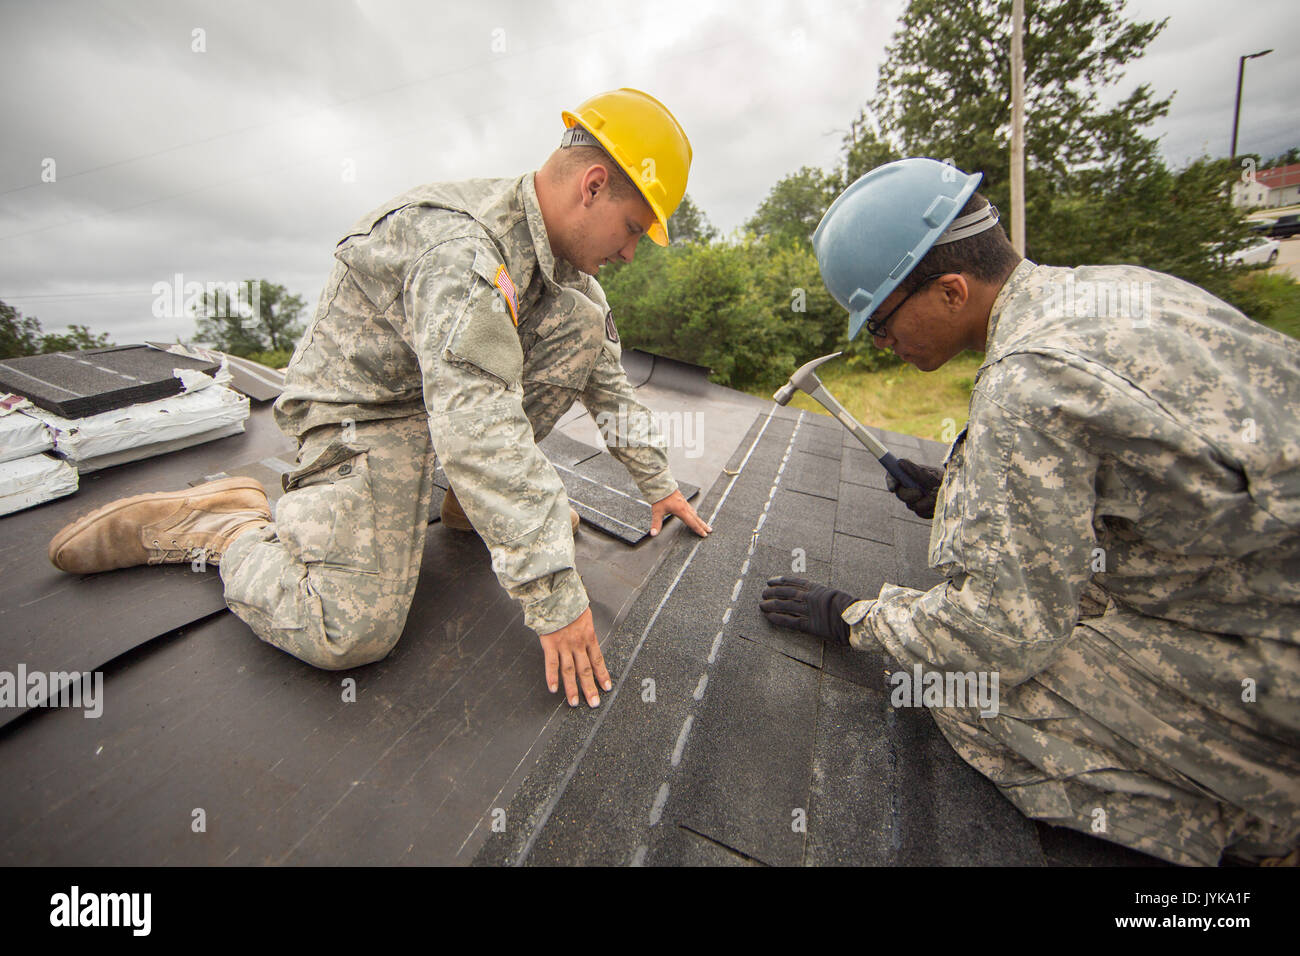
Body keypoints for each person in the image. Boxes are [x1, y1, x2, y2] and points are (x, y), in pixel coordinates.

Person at [48, 88, 711, 711]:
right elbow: (477, 424)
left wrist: (658, 482)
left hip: (434, 402)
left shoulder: (563, 277)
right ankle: (229, 529)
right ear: (593, 185)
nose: (630, 251)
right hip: (361, 411)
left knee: (582, 319)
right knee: (349, 630)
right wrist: (554, 596)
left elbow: (604, 383)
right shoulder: (462, 249)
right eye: (631, 227)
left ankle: (467, 503)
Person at [760, 157, 1299, 866]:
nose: (881, 346)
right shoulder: (1107, 288)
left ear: (951, 290)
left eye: (882, 325)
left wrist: (853, 617)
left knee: (964, 689)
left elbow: (1003, 632)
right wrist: (960, 487)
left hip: (1271, 657)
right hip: (1254, 580)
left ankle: (1256, 816)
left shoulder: (1027, 384)